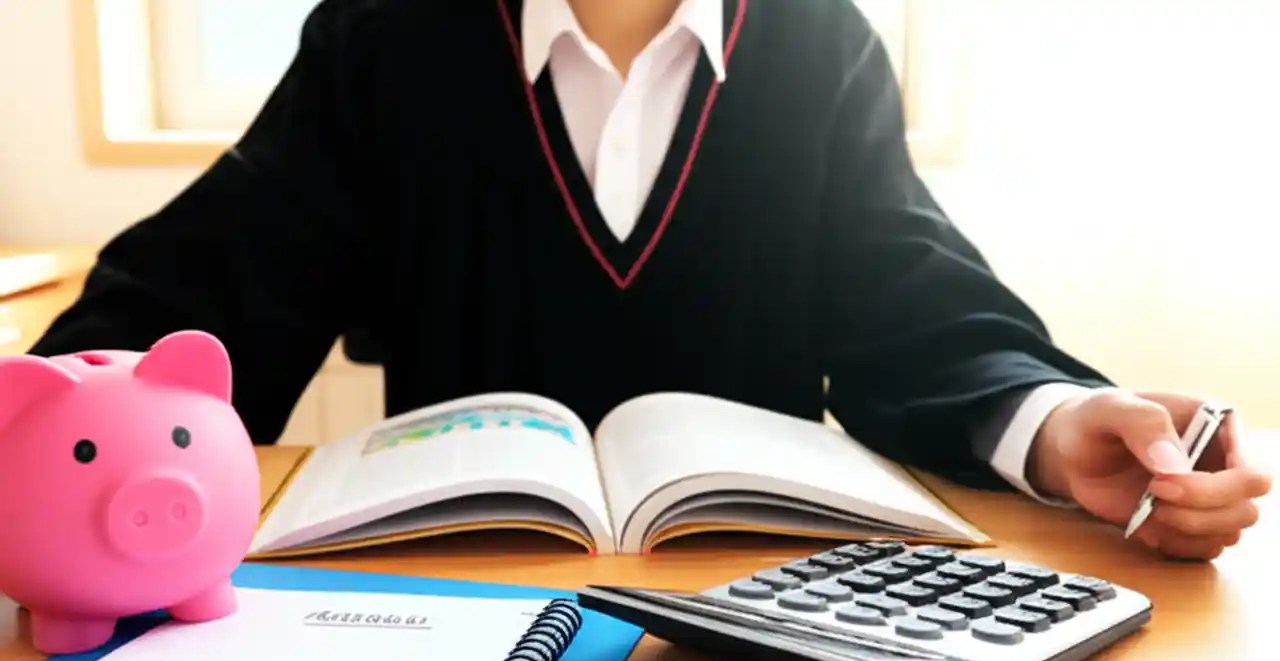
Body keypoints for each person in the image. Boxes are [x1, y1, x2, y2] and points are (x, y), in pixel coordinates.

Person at [30, 0, 1269, 560]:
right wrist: (46, 424)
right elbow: (206, 290)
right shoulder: (382, 37)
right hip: (450, 588)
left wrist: (1058, 431)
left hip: (769, 600)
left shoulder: (815, 40)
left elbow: (919, 315)